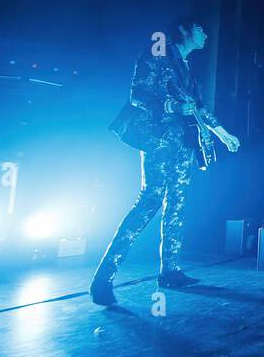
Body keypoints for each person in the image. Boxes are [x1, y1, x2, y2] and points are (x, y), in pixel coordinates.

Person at [89, 16, 240, 305]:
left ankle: (170, 271)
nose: (206, 34)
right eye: (201, 27)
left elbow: (197, 106)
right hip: (158, 139)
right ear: (185, 30)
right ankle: (103, 279)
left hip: (181, 142)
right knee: (149, 202)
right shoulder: (158, 52)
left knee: (177, 204)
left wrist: (222, 133)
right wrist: (170, 105)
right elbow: (138, 94)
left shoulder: (184, 65)